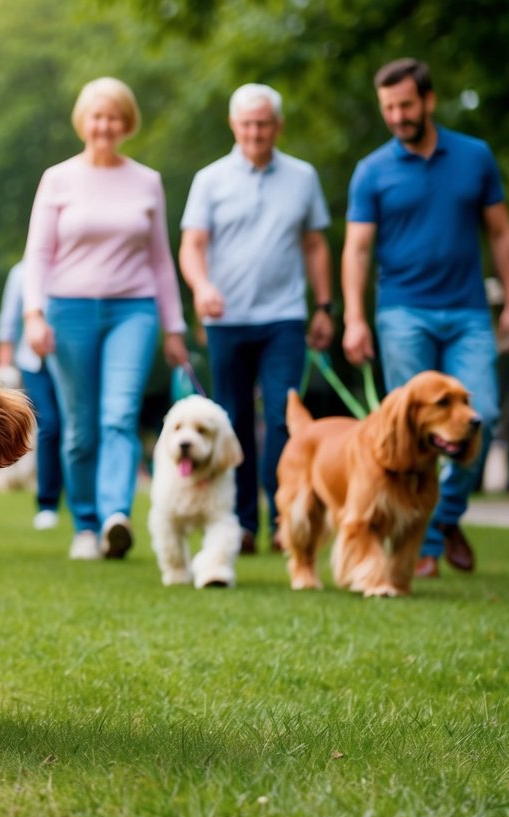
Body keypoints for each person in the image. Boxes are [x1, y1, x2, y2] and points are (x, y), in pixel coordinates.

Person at [342, 58, 509, 578]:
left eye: (406, 105)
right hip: (402, 313)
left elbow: (501, 233)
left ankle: (444, 517)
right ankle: (427, 544)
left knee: (480, 414)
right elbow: (357, 248)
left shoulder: (474, 157)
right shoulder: (372, 170)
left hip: (467, 311)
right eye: (388, 108)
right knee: (410, 430)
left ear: (429, 101)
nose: (397, 116)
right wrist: (354, 317)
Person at [23, 76, 189, 561]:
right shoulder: (58, 179)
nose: (105, 125)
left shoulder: (147, 181)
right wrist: (33, 315)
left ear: (126, 123)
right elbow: (39, 253)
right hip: (68, 308)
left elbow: (161, 260)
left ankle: (116, 514)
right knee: (80, 427)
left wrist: (174, 327)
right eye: (97, 116)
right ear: (83, 121)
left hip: (133, 310)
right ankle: (86, 525)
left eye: (114, 116)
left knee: (120, 415)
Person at [178, 83, 334, 555]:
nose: (255, 132)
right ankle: (243, 523)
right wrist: (202, 287)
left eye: (264, 124)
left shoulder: (303, 177)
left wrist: (324, 306)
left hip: (284, 317)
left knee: (285, 418)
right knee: (234, 421)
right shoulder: (210, 179)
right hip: (226, 321)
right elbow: (193, 245)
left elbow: (315, 245)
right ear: (234, 124)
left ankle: (287, 519)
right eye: (247, 124)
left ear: (277, 126)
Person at [0, 261, 63, 530]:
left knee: (74, 429)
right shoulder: (21, 272)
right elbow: (9, 322)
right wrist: (4, 367)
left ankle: (78, 496)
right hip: (34, 363)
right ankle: (47, 502)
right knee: (50, 426)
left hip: (73, 361)